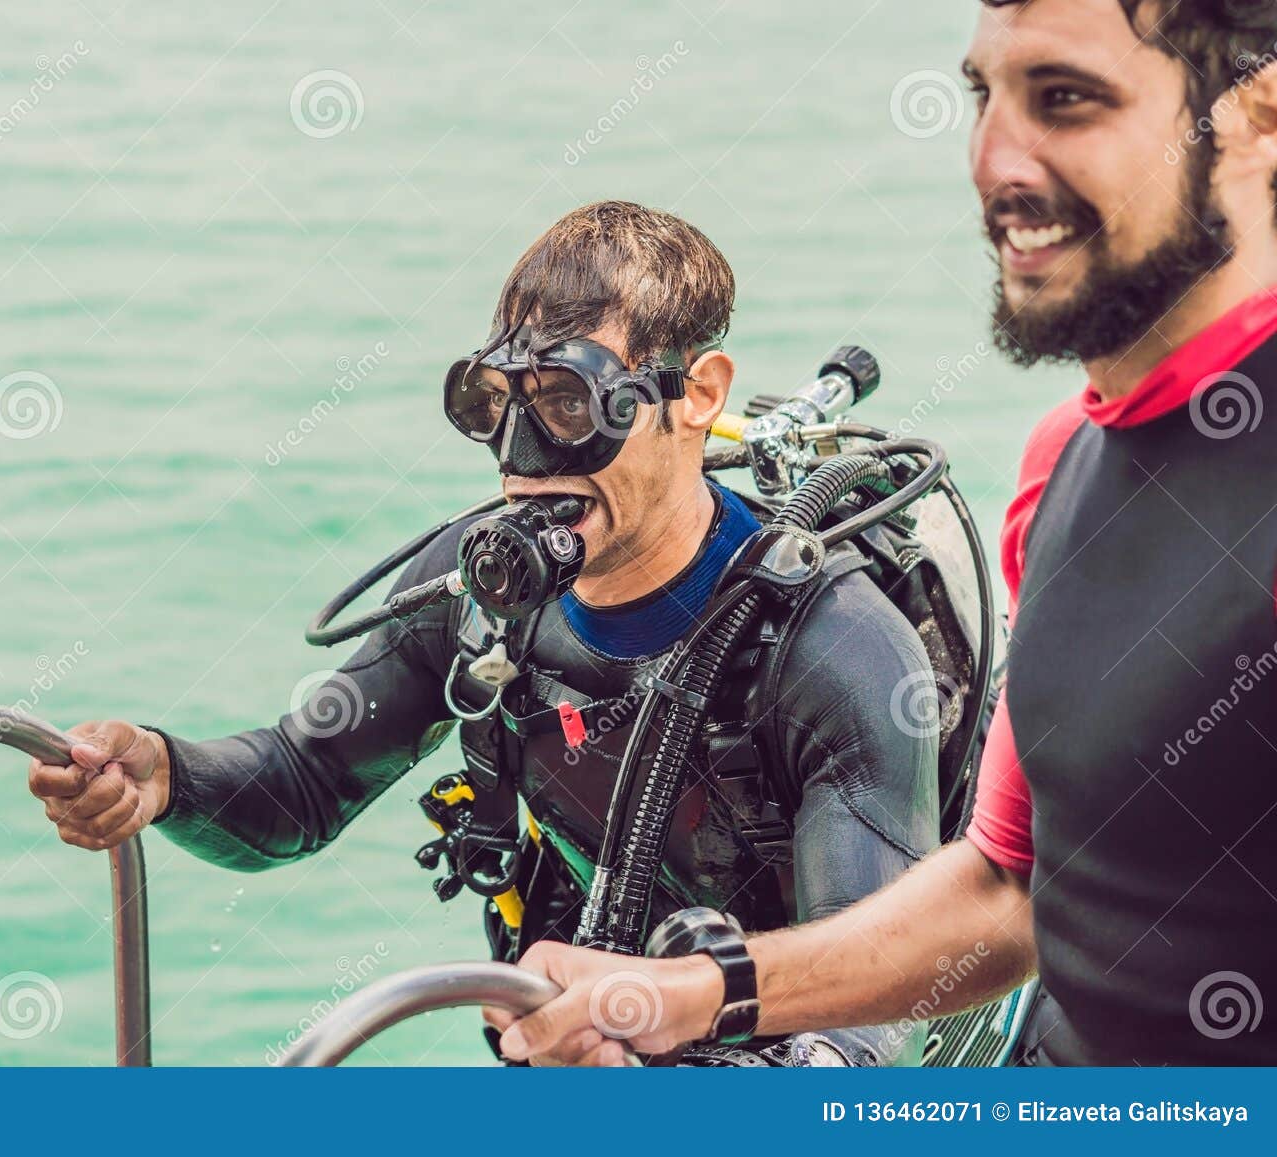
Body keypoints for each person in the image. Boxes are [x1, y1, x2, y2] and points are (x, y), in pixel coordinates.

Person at [485, 0, 1277, 1067]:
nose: (995, 158)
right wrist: (685, 993)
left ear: (1256, 115)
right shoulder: (1062, 464)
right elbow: (1008, 884)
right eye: (980, 98)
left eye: (1066, 100)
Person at [27, 200, 969, 1066]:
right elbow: (301, 786)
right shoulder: (475, 592)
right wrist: (166, 775)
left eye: (569, 404)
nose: (521, 459)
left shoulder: (835, 650)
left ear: (697, 395)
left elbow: (867, 1037)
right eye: (495, 405)